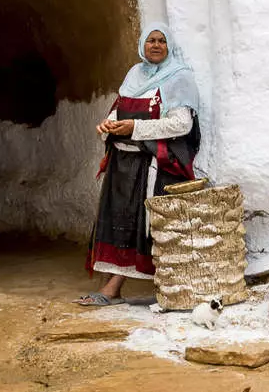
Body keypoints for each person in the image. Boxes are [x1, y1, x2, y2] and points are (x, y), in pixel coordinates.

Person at [75, 24, 200, 306]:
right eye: (150, 41)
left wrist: (135, 127)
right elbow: (122, 107)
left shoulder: (179, 78)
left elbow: (182, 124)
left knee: (142, 226)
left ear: (169, 47)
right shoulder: (135, 74)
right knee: (119, 222)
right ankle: (112, 288)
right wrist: (110, 123)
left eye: (162, 41)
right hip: (123, 163)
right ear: (142, 45)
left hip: (152, 165)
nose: (156, 45)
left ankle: (135, 289)